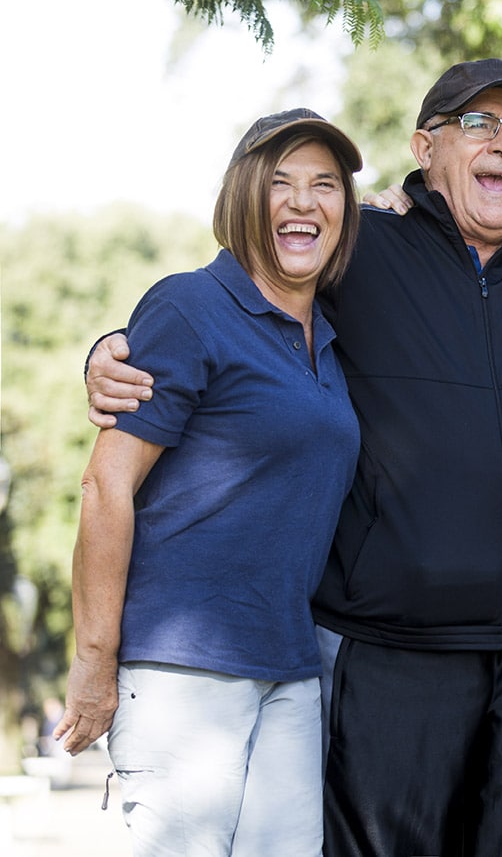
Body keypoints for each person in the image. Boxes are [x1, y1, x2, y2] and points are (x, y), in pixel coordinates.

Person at [85, 60, 502, 857]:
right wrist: (107, 353)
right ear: (426, 148)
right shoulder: (358, 249)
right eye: (478, 124)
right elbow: (233, 308)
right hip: (392, 649)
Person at [55, 109, 363, 856]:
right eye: (281, 182)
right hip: (180, 667)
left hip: (286, 664)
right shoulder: (190, 307)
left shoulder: (327, 333)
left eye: (325, 185)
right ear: (243, 196)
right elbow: (105, 488)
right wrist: (95, 662)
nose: (303, 201)